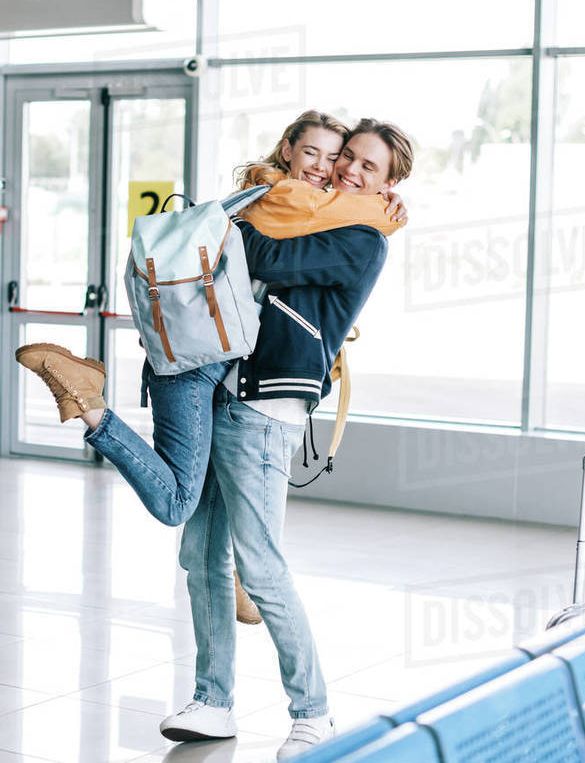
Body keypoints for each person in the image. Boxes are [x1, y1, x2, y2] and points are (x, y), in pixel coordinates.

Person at [16, 111, 405, 527]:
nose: (324, 167)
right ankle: (88, 400)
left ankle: (89, 397)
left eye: (332, 157)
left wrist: (388, 196)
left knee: (197, 513)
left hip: (211, 358)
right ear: (287, 150)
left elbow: (338, 215)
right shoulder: (282, 200)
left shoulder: (296, 204)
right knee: (177, 504)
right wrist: (386, 206)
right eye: (312, 152)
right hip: (195, 357)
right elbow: (276, 255)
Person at [164, 119, 415, 759]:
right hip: (223, 390)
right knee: (201, 556)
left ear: (388, 185)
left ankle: (314, 713)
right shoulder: (310, 209)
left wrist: (227, 220)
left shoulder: (360, 237)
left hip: (266, 410)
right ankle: (212, 701)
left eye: (368, 168)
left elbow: (267, 258)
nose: (348, 170)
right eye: (347, 157)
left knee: (260, 566)